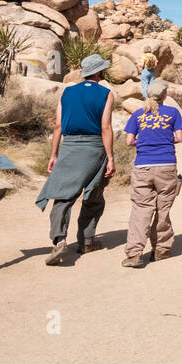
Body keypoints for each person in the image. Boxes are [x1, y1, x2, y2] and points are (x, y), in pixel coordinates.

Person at [36, 54, 116, 265]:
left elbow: (58, 125)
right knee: (94, 194)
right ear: (99, 72)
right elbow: (106, 127)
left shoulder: (67, 92)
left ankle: (59, 240)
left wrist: (54, 154)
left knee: (63, 196)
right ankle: (86, 241)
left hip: (70, 147)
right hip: (94, 148)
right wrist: (110, 157)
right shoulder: (106, 94)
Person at [121, 79, 182, 268]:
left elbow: (129, 141)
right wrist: (165, 138)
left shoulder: (138, 115)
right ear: (165, 95)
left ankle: (134, 253)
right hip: (166, 165)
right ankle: (161, 250)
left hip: (143, 166)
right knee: (163, 208)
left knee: (141, 209)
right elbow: (179, 137)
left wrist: (144, 142)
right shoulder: (173, 113)